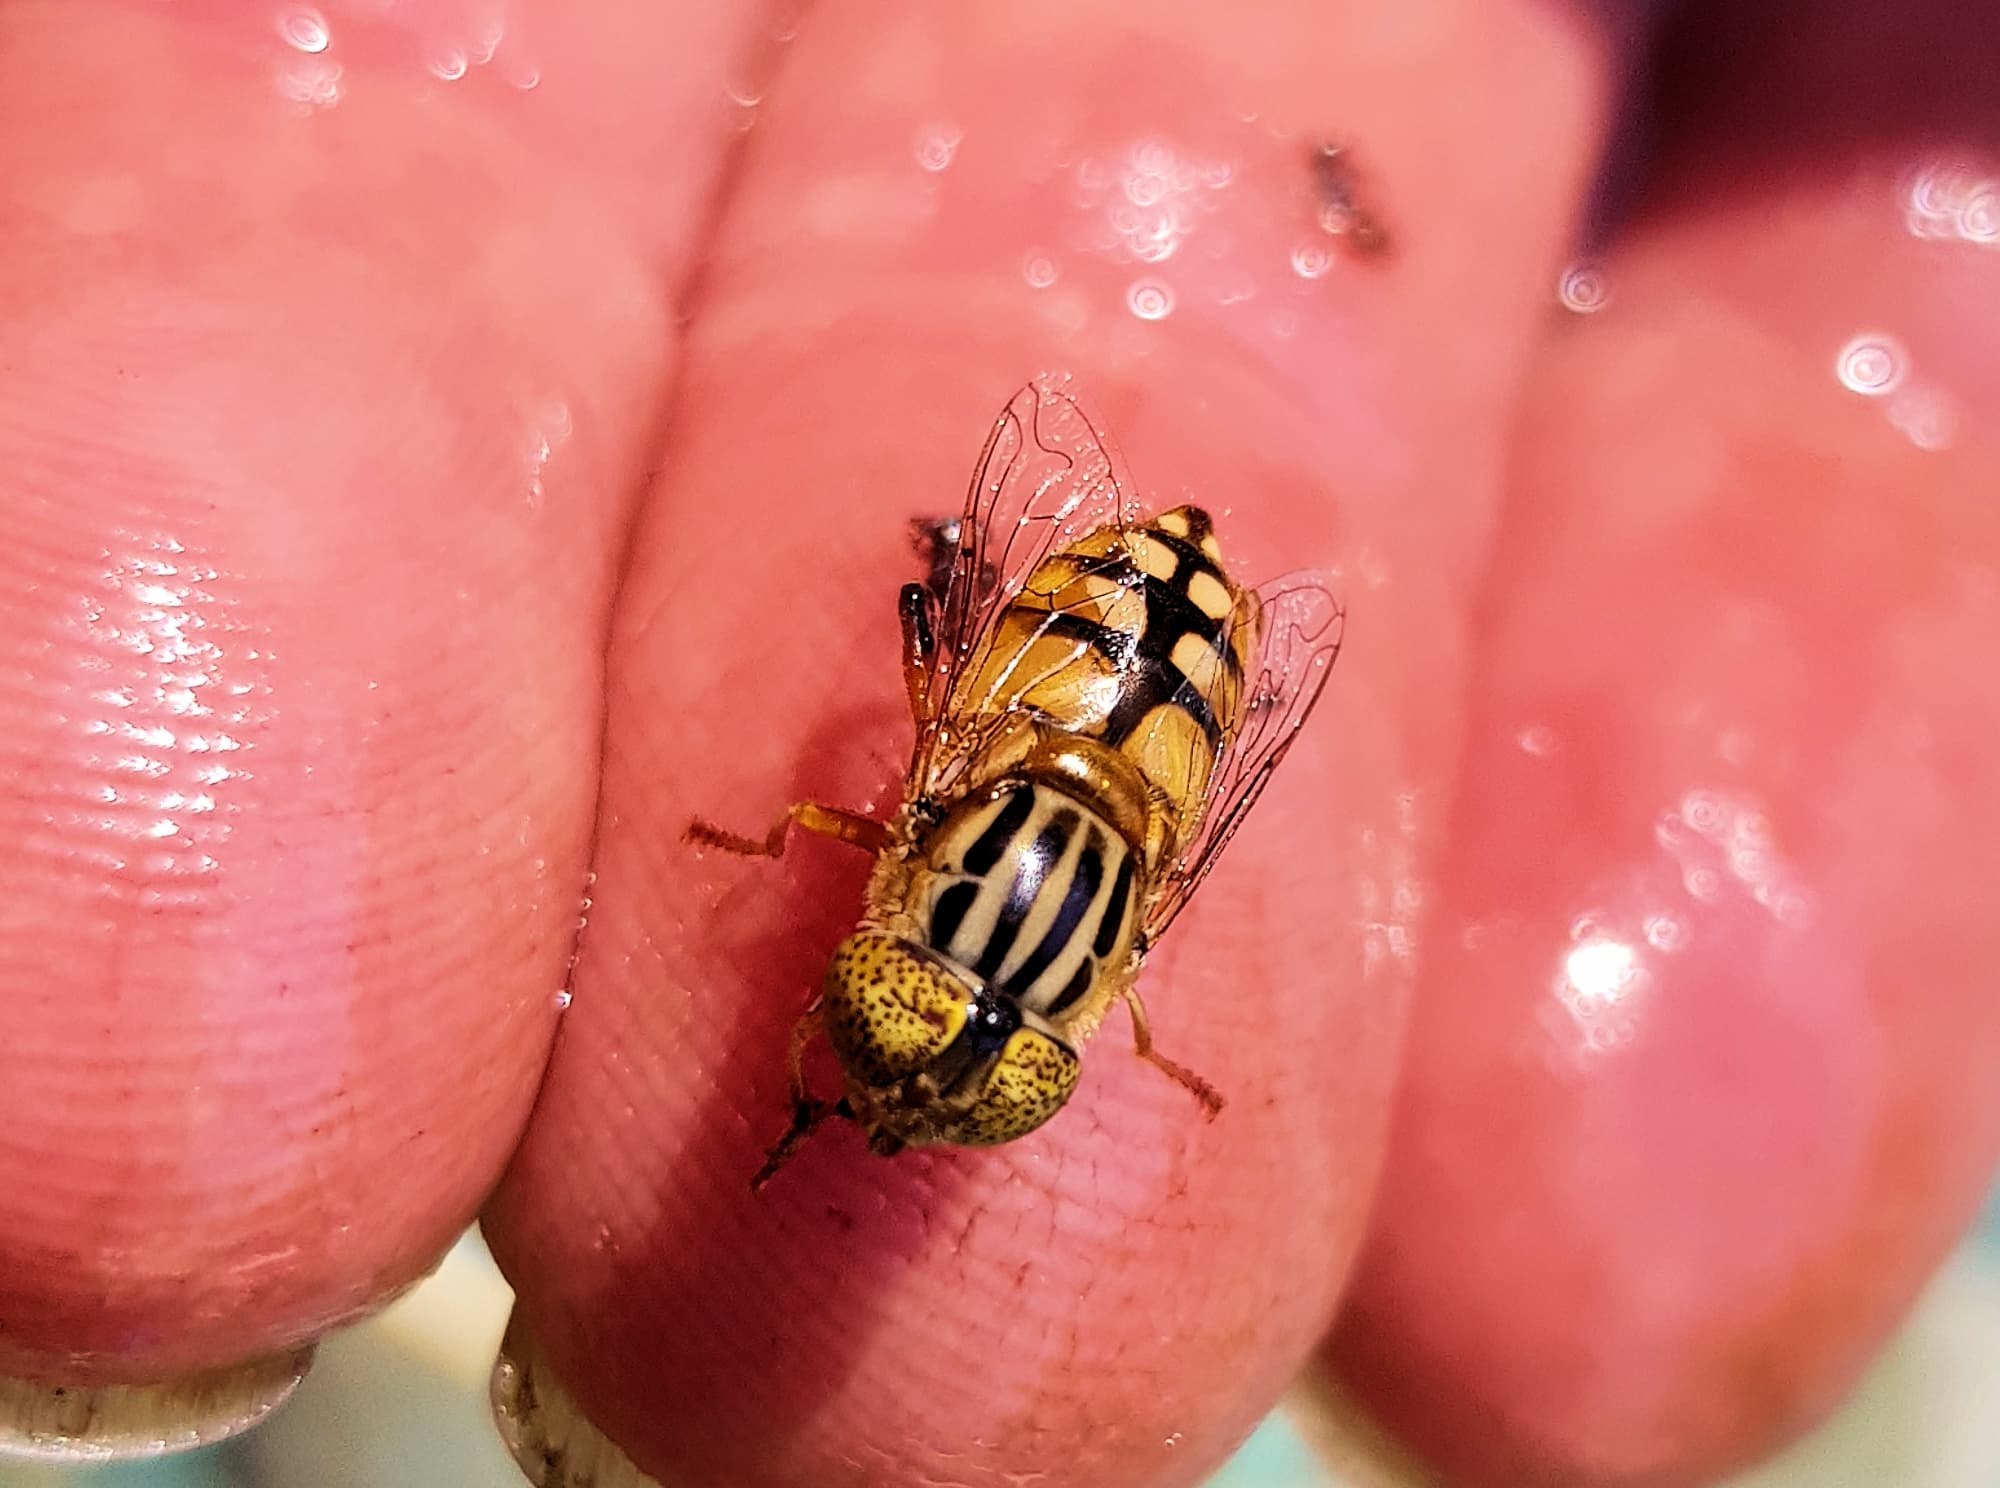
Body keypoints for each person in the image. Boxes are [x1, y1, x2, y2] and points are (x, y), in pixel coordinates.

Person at [2, 1, 1996, 1485]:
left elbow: (992, 830)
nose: (901, 1076)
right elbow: (1053, 835)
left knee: (954, 669)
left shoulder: (1002, 893)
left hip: (1101, 691)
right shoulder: (1035, 924)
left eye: (895, 1016)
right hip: (1118, 698)